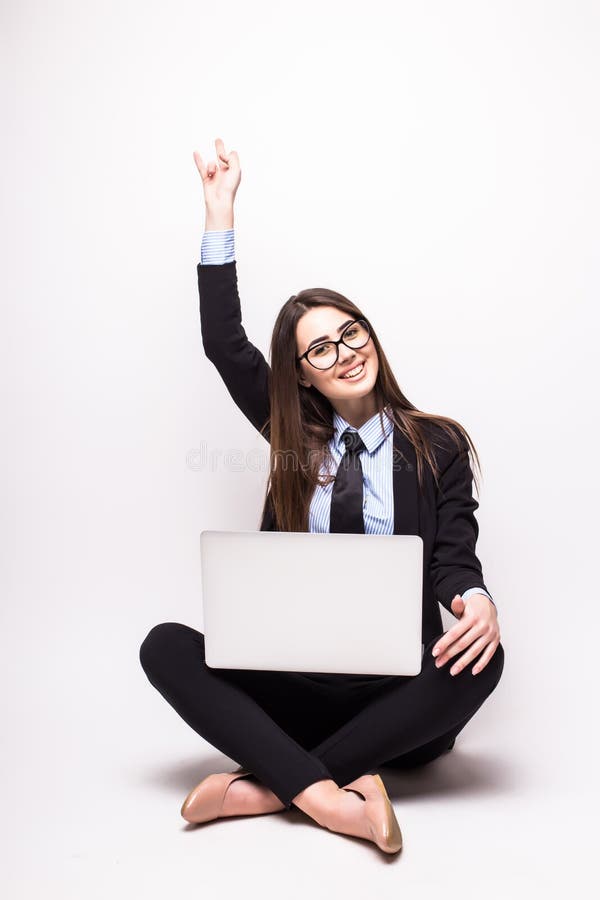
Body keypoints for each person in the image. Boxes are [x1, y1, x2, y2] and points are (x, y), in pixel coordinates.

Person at [139, 138, 505, 855]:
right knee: (165, 647)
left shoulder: (438, 446)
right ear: (302, 376)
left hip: (395, 693)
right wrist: (220, 209)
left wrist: (477, 601)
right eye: (320, 350)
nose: (345, 352)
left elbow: (454, 561)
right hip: (294, 682)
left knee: (485, 660)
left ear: (371, 335)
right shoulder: (290, 432)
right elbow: (224, 343)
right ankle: (337, 800)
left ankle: (265, 787)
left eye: (351, 332)